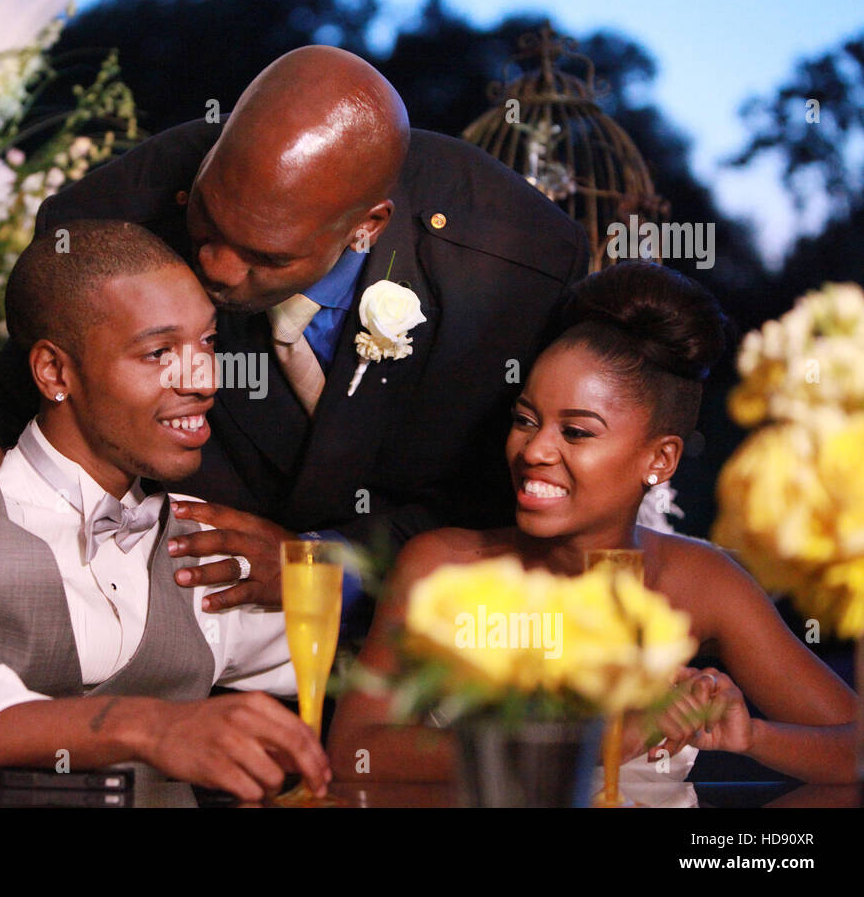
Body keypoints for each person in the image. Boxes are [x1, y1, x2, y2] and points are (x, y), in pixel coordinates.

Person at [0, 45, 589, 621]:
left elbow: (515, 499)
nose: (216, 267)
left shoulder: (510, 268)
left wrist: (332, 567)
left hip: (417, 647)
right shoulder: (109, 220)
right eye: (208, 218)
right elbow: (30, 391)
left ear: (366, 227)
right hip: (182, 631)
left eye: (265, 254)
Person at [0, 221, 331, 802]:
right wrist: (147, 727)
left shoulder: (206, 541)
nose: (206, 379)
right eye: (160, 352)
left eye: (208, 344)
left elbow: (368, 659)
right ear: (55, 372)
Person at [326, 261, 858, 786]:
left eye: (576, 432)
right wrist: (595, 740)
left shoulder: (704, 582)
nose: (533, 449)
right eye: (524, 419)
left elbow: (853, 748)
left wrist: (750, 737)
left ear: (660, 460)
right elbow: (354, 751)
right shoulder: (440, 563)